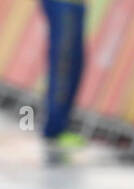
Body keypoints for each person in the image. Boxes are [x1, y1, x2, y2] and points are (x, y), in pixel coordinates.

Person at [40, 0, 88, 159]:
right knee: (65, 63)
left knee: (73, 63)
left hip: (73, 5)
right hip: (63, 4)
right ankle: (55, 128)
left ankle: (60, 125)